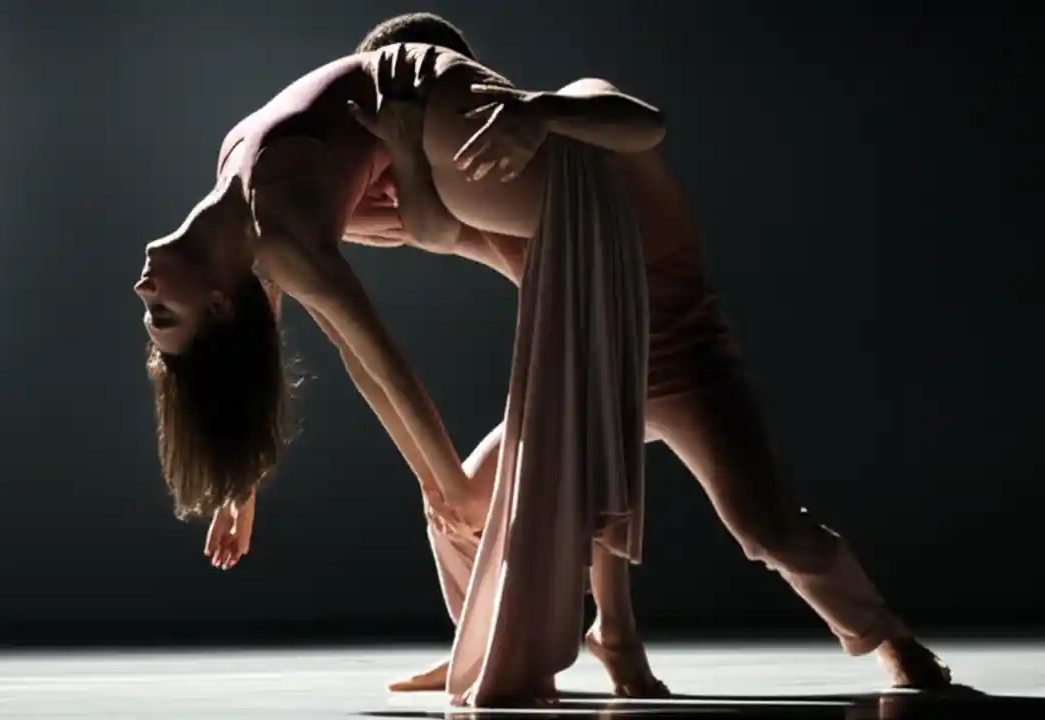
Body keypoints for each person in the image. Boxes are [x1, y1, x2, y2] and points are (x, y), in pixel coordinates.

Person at [341, 12, 954, 704]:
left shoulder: (567, 111)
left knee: (766, 524)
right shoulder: (467, 195)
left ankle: (889, 637)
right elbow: (380, 225)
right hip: (581, 374)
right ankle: (484, 645)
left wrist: (537, 112)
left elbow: (644, 121)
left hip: (681, 362)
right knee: (455, 499)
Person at [133, 32, 669, 706]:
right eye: (162, 316)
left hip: (428, 109)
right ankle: (501, 628)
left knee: (484, 464)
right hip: (434, 143)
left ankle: (552, 620)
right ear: (213, 305)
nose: (142, 295)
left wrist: (446, 483)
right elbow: (370, 361)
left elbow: (334, 350)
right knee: (460, 481)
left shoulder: (251, 212)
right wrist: (250, 491)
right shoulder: (264, 241)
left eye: (152, 316)